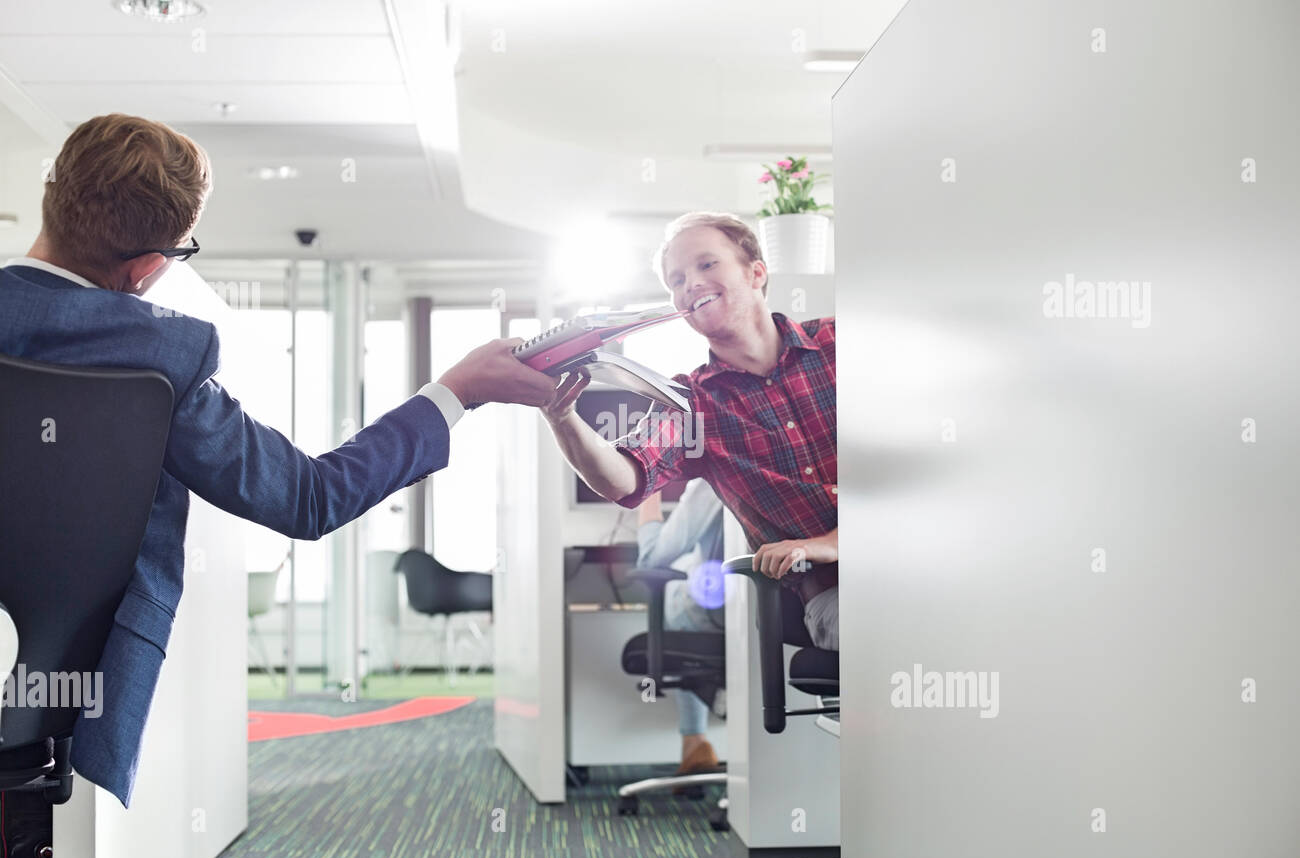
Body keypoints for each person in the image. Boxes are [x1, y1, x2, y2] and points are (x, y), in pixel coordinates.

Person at [0, 113, 556, 812]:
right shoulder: (160, 356)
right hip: (67, 696)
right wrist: (456, 393)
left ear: (52, 194)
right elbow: (310, 497)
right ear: (148, 266)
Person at [542, 211, 838, 651]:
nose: (690, 284)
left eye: (706, 264)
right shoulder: (691, 401)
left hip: (921, 558)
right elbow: (625, 479)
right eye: (676, 280)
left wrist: (835, 542)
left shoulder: (839, 343)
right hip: (839, 598)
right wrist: (562, 417)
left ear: (756, 273)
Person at [635, 480, 725, 777]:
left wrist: (646, 487)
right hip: (784, 618)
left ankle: (694, 738)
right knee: (690, 571)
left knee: (674, 583)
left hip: (717, 620)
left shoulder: (716, 475)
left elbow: (652, 556)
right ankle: (694, 741)